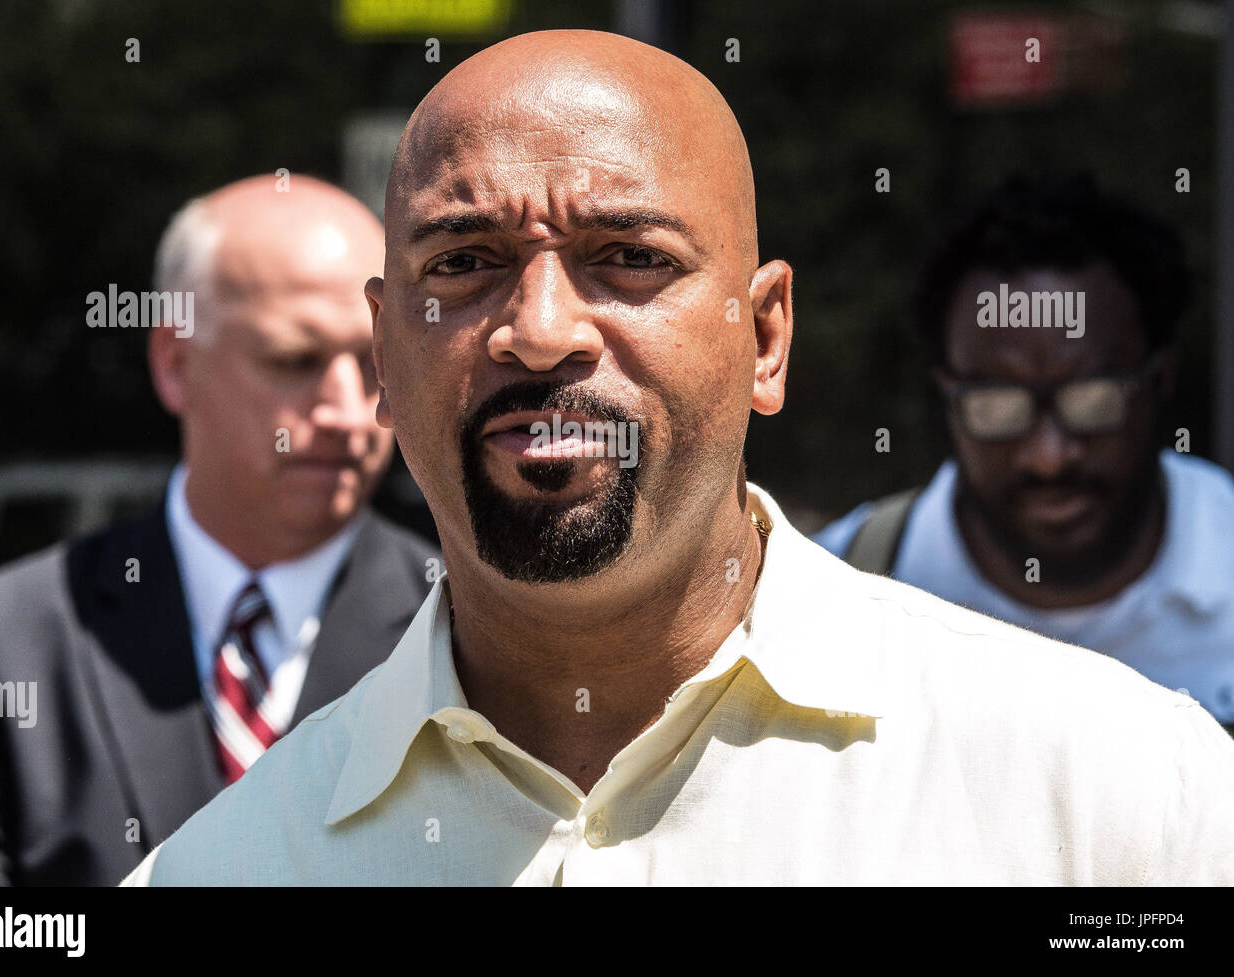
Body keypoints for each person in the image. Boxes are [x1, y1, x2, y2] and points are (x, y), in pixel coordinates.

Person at [124, 33, 1234, 886]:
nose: (542, 327)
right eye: (464, 261)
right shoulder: (229, 866)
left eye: (628, 257)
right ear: (384, 346)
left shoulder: (1119, 800)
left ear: (764, 337)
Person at [0, 174, 438, 885]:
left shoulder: (469, 633)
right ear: (175, 362)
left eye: (373, 364)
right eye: (294, 361)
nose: (349, 413)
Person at [815, 173, 1234, 733]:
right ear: (947, 395)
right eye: (998, 407)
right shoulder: (837, 595)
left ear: (1160, 380)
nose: (1049, 457)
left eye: (1093, 400)